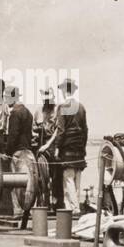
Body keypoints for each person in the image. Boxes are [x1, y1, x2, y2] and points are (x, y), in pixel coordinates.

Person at [39, 78, 87, 213]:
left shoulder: (62, 107)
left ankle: (74, 209)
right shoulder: (81, 107)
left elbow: (60, 130)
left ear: (65, 91)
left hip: (67, 149)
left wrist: (57, 148)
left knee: (68, 180)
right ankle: (75, 207)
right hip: (79, 150)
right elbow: (85, 129)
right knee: (77, 179)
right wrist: (83, 147)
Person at [3, 86, 34, 157]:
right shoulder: (28, 112)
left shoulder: (15, 113)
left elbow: (13, 136)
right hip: (28, 152)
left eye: (7, 98)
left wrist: (7, 153)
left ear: (13, 98)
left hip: (17, 153)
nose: (5, 101)